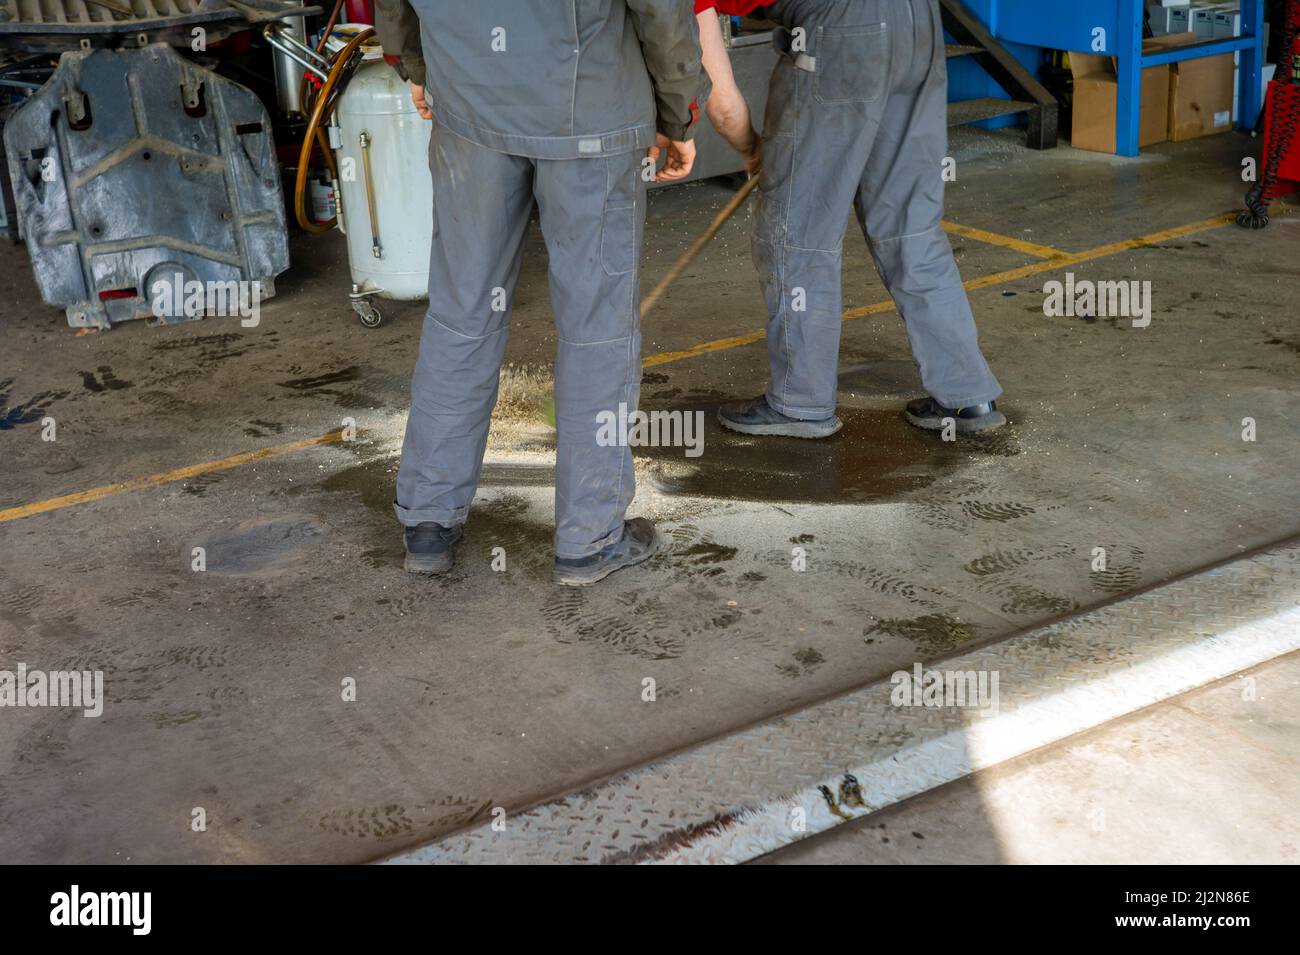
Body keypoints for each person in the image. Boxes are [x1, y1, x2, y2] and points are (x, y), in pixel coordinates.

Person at [374, 1, 709, 585]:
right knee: (596, 330)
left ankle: (429, 520)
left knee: (462, 312)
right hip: (590, 119)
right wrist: (678, 111)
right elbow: (660, 9)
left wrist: (419, 66)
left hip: (471, 108)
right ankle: (588, 536)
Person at [694, 0, 1005, 439]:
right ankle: (968, 395)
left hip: (841, 34)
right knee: (909, 225)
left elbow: (723, 104)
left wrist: (753, 149)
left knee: (797, 231)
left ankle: (799, 401)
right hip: (918, 23)